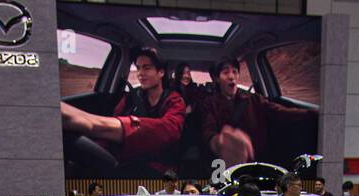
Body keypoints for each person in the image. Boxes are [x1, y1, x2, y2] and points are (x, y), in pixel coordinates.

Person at [62, 47, 185, 176]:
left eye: (146, 68)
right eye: (138, 68)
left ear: (161, 72)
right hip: (126, 161)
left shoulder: (175, 100)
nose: (140, 73)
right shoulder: (129, 98)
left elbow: (170, 130)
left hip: (159, 167)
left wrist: (94, 124)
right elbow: (110, 136)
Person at [198, 56, 316, 167]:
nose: (231, 76)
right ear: (217, 79)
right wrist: (221, 143)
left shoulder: (253, 99)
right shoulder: (209, 103)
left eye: (235, 71)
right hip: (225, 164)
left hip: (256, 161)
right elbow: (208, 133)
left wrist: (311, 114)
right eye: (225, 72)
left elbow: (278, 111)